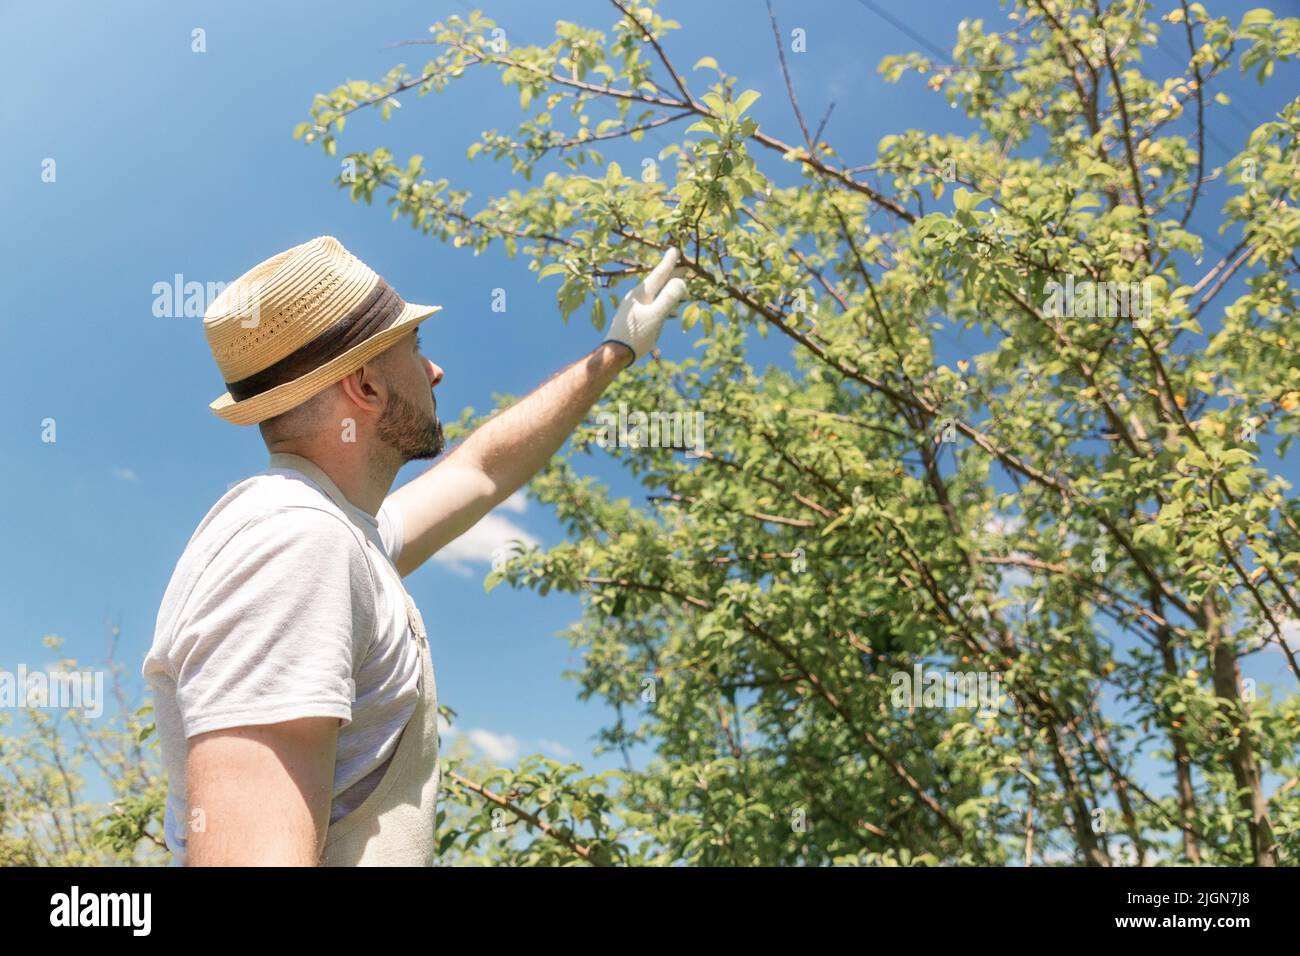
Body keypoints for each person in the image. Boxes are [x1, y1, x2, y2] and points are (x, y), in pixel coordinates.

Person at [142, 235, 687, 865]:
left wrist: (613, 352)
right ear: (366, 386)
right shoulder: (295, 542)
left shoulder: (340, 533)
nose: (436, 371)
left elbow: (480, 472)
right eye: (416, 350)